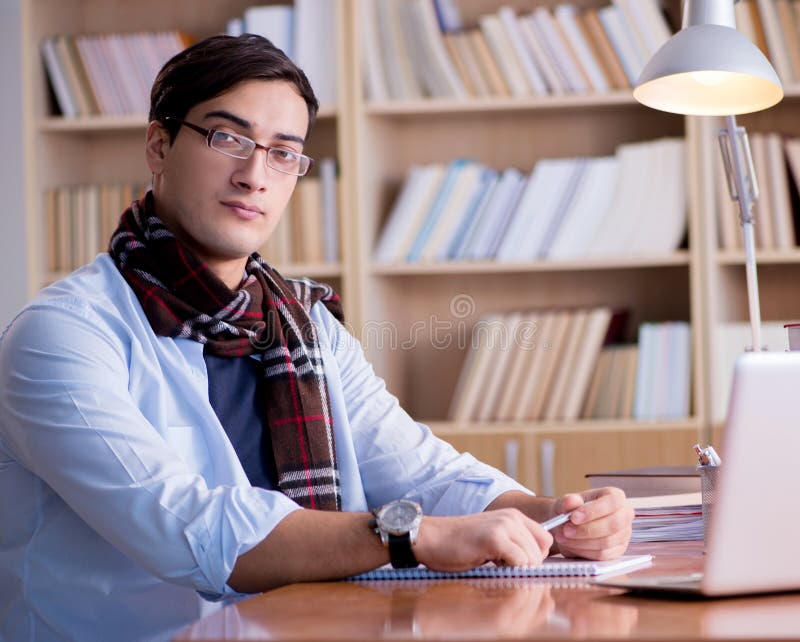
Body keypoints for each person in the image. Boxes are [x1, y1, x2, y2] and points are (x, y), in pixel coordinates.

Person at [0, 34, 633, 641]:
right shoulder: (62, 335)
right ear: (159, 146)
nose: (255, 175)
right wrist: (404, 537)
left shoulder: (304, 324)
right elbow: (188, 527)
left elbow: (416, 466)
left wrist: (547, 513)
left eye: (283, 152)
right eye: (228, 137)